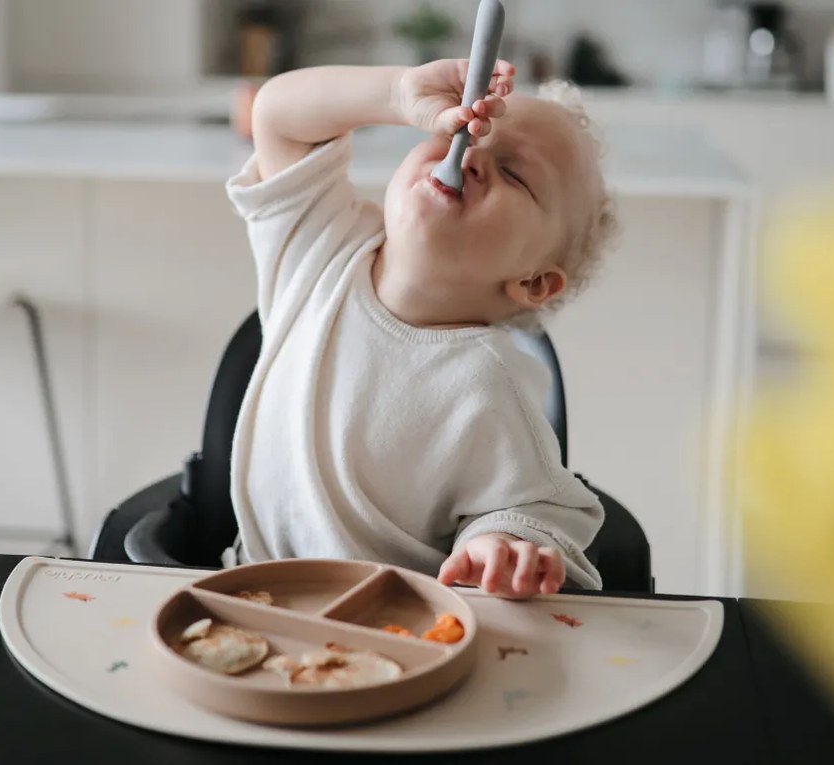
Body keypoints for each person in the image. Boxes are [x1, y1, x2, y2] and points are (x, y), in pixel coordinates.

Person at [224, 59, 617, 599]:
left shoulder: (493, 386)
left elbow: (539, 511)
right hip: (244, 592)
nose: (470, 155)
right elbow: (276, 115)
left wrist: (499, 543)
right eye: (462, 131)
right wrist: (395, 92)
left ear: (533, 282)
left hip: (391, 629)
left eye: (516, 174)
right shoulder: (320, 246)